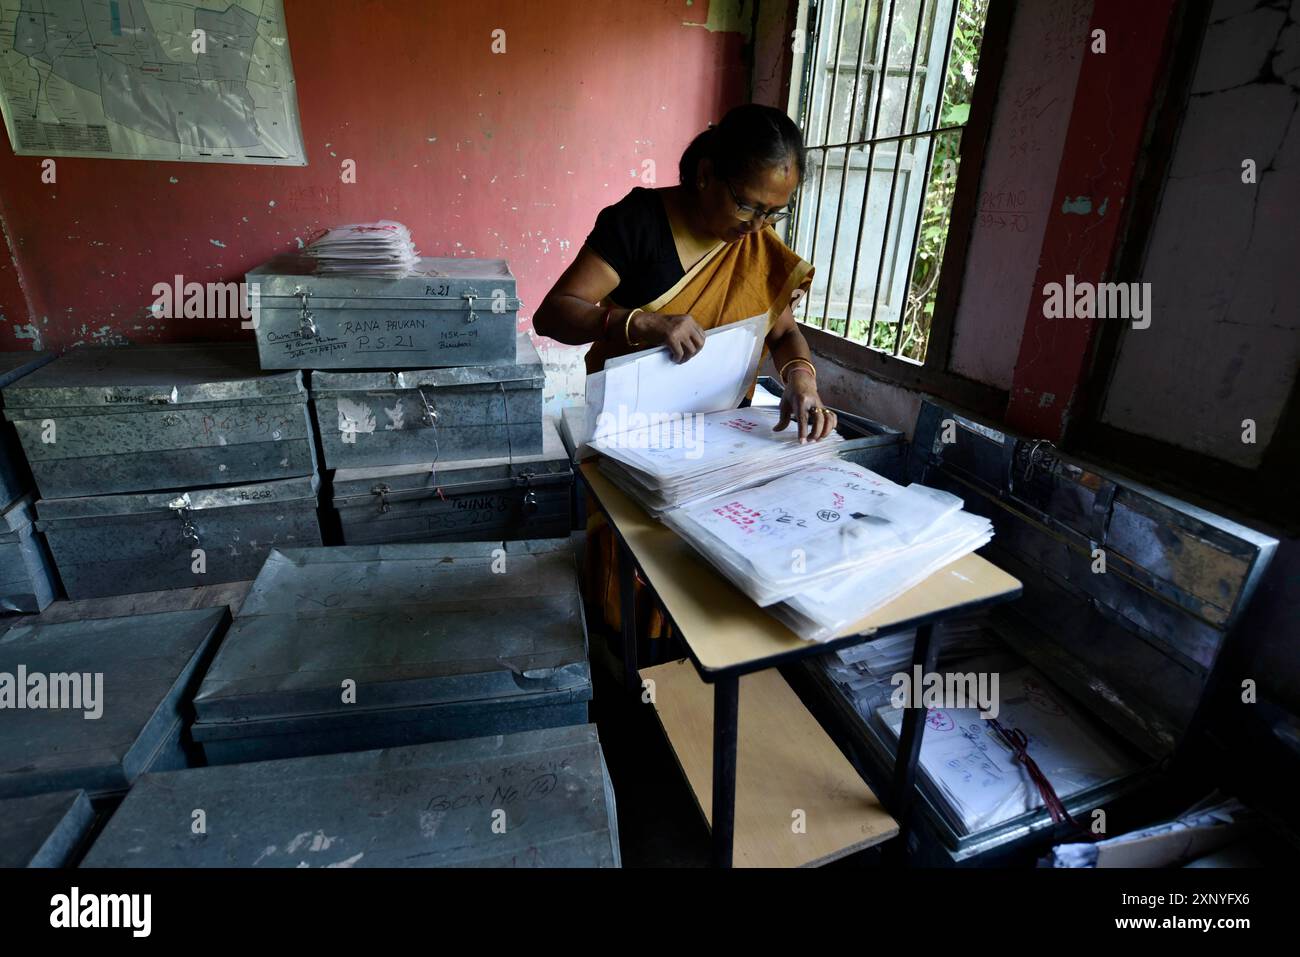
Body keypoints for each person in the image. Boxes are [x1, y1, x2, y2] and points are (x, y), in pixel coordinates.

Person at [534, 103, 838, 647]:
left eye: (774, 213)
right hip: (633, 439)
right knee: (633, 576)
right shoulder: (638, 223)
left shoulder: (756, 247)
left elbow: (784, 333)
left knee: (706, 583)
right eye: (747, 205)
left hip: (717, 444)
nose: (757, 227)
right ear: (705, 175)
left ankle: (688, 675)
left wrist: (801, 379)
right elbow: (555, 312)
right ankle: (623, 666)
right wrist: (638, 321)